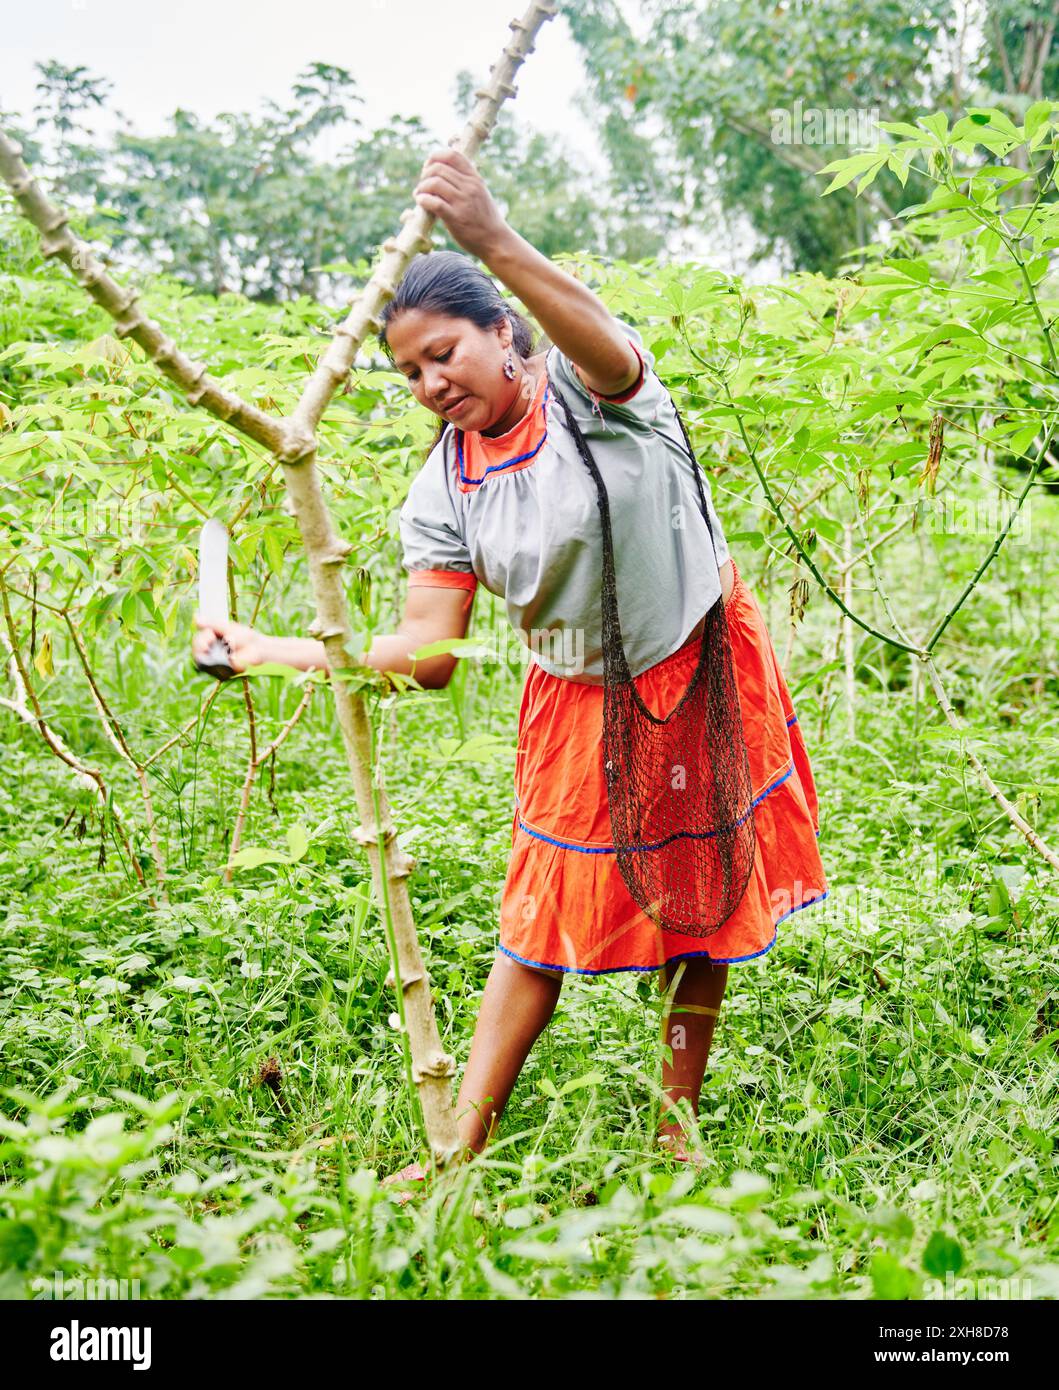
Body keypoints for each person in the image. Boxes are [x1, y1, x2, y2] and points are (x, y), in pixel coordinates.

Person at [192, 148, 829, 1191]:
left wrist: (490, 236)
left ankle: (678, 1134)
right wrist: (274, 652)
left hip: (692, 662)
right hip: (575, 692)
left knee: (695, 896)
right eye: (409, 373)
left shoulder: (598, 395)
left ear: (504, 333)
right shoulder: (441, 487)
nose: (432, 383)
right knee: (535, 920)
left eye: (446, 353)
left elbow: (612, 346)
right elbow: (427, 654)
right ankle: (459, 1151)